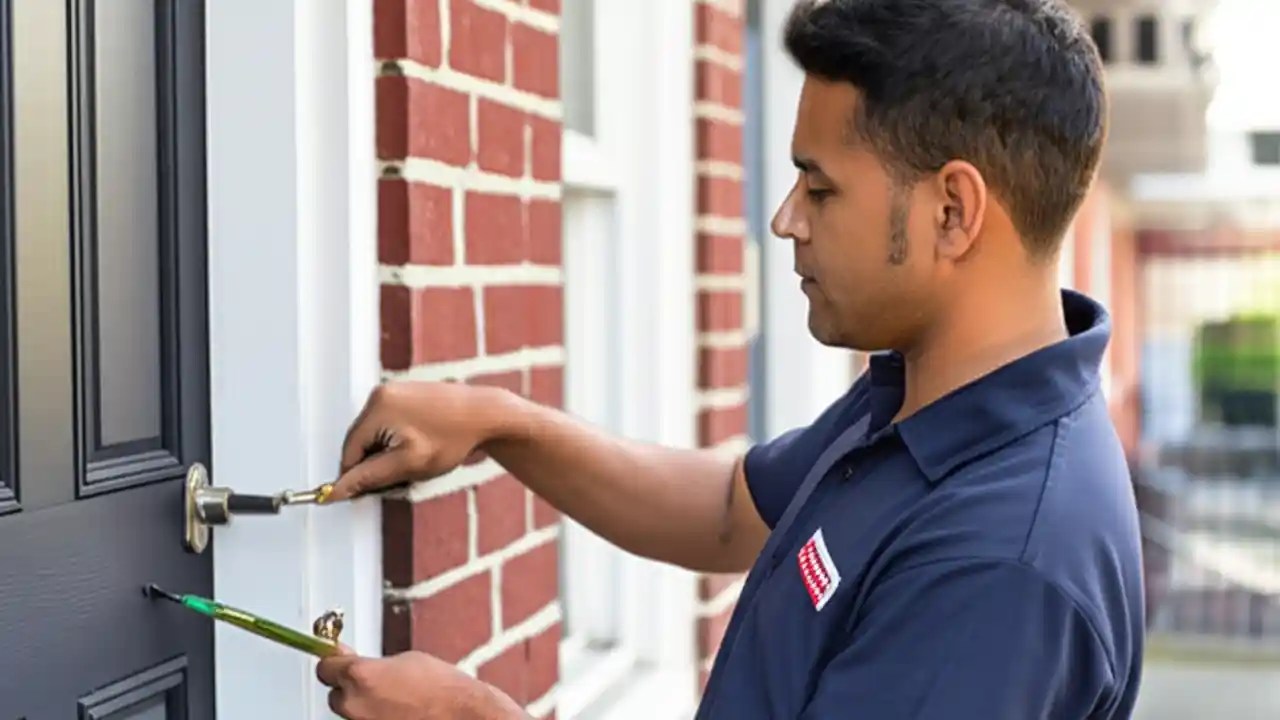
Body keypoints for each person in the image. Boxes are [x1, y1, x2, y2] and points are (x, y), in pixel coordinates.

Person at [315, 0, 1146, 717]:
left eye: (820, 189)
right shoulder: (926, 393)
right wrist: (499, 423)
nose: (787, 220)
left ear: (952, 211)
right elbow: (727, 509)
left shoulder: (1001, 567)